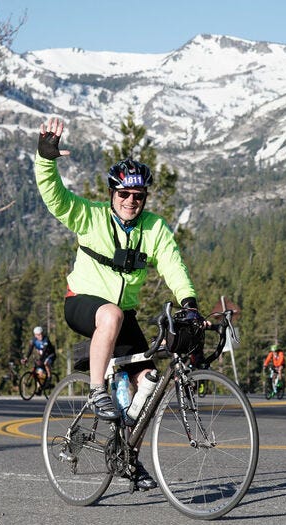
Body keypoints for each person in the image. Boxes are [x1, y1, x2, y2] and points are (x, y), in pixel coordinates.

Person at [35, 116, 200, 490]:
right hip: (83, 303)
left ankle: (127, 456)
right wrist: (45, 159)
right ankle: (97, 391)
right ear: (112, 194)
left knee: (151, 383)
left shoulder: (154, 228)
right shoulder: (90, 216)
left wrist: (189, 302)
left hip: (124, 316)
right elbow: (54, 196)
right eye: (123, 194)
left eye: (138, 196)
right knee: (109, 314)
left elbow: (173, 265)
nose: (130, 201)